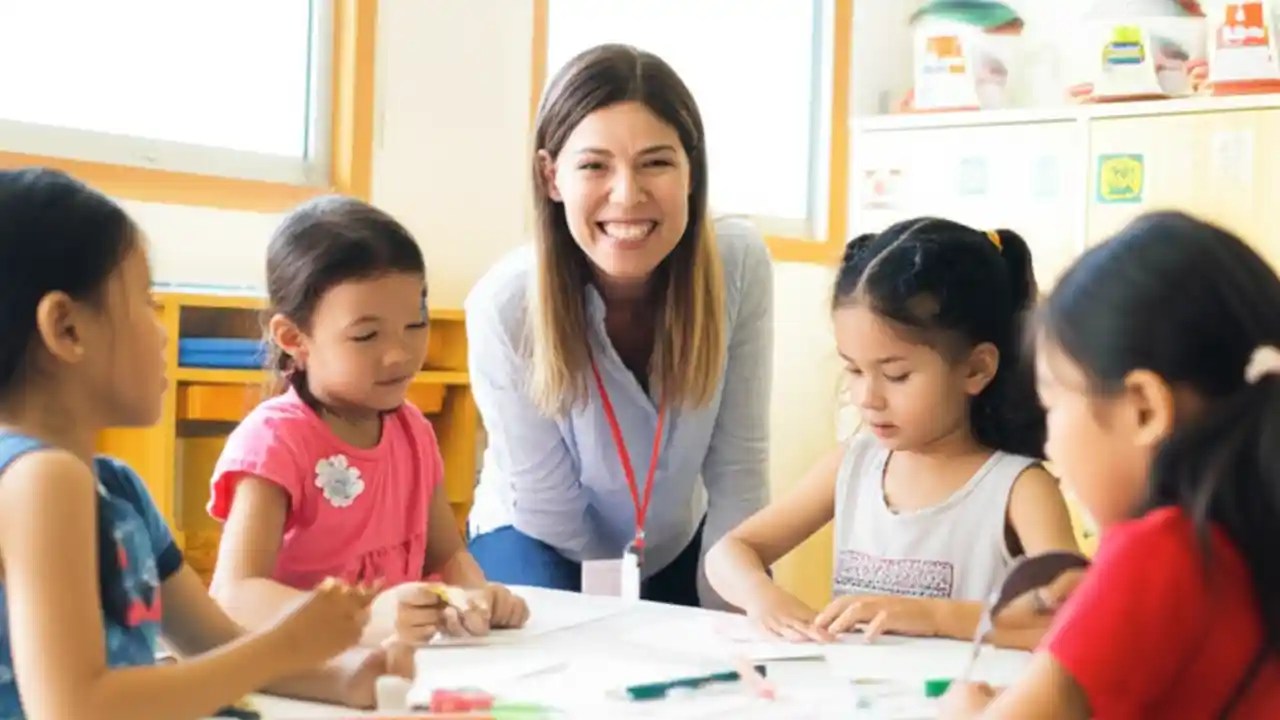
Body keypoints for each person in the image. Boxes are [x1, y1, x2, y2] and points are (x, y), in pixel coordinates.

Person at [0, 167, 384, 719]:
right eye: (144, 301)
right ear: (66, 328)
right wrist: (285, 644)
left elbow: (213, 644)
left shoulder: (115, 490)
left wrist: (342, 680)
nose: (159, 332)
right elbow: (75, 709)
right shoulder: (39, 480)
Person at [463, 43, 774, 609]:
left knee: (733, 654)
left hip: (676, 541)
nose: (627, 195)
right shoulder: (504, 304)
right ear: (550, 176)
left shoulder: (740, 263)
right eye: (594, 165)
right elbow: (547, 507)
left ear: (691, 171)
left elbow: (739, 473)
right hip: (539, 537)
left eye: (656, 162)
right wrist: (622, 612)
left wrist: (730, 618)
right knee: (565, 657)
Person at [940, 212, 1280, 718]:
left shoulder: (1160, 554)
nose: (1050, 443)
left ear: (1143, 407)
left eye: (1052, 405)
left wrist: (966, 709)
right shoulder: (1246, 551)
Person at [705, 218, 1079, 648]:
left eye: (896, 375)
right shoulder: (852, 466)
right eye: (854, 369)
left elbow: (1077, 618)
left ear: (976, 369)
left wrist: (934, 616)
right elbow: (729, 552)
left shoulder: (1018, 488)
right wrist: (763, 598)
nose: (868, 397)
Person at [206, 196, 528, 652]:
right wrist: (359, 618)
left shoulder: (413, 430)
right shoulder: (276, 440)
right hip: (301, 676)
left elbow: (448, 554)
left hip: (389, 672)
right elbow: (234, 595)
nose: (399, 353)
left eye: (415, 325)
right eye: (366, 335)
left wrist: (474, 595)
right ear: (294, 338)